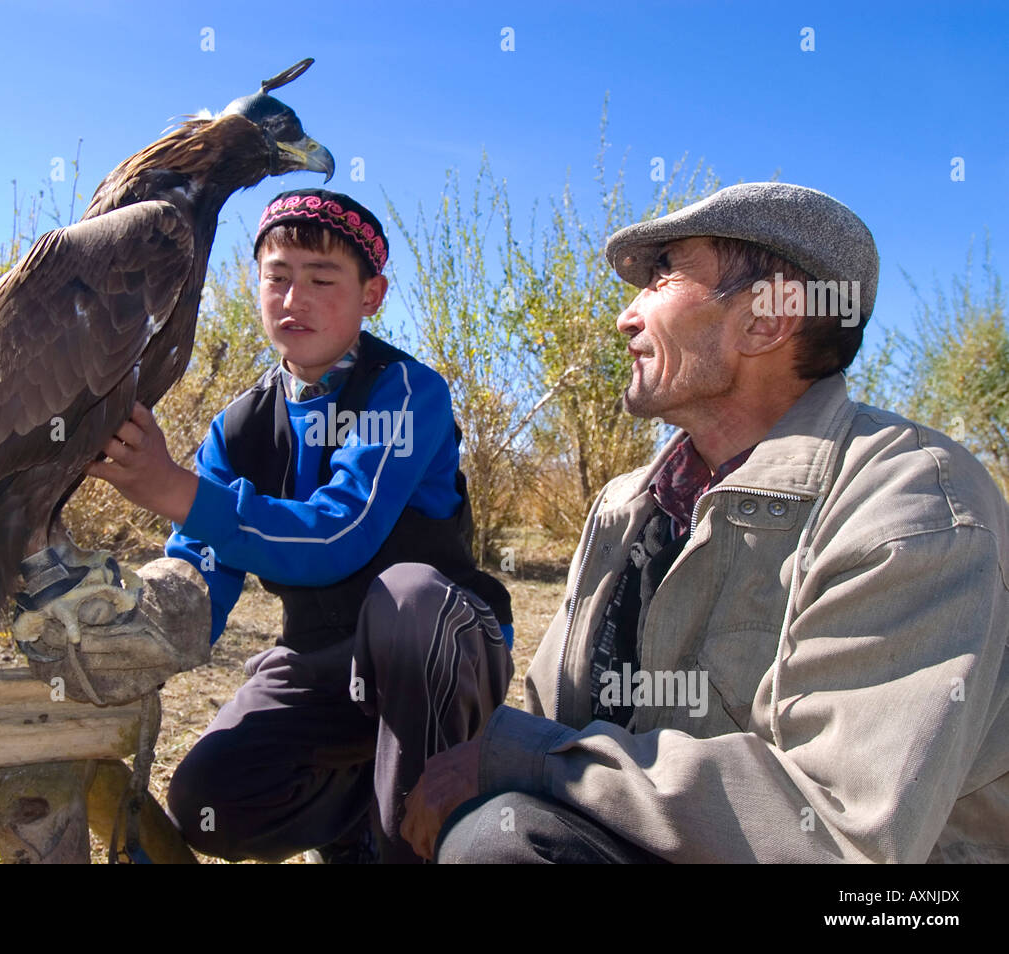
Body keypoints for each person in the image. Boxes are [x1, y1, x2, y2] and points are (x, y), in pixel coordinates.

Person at [404, 182, 1009, 864]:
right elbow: (557, 716)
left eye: (662, 275)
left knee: (500, 843)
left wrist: (530, 759)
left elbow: (842, 832)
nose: (625, 318)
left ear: (767, 320)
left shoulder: (913, 502)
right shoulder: (627, 505)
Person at [86, 188, 513, 863]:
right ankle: (362, 823)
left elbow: (337, 536)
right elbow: (197, 580)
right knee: (210, 801)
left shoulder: (405, 391)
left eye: (322, 280)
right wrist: (122, 629)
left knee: (408, 599)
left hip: (442, 655)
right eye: (277, 278)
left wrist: (171, 488)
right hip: (324, 662)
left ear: (372, 295)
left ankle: (431, 825)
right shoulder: (235, 428)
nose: (294, 299)